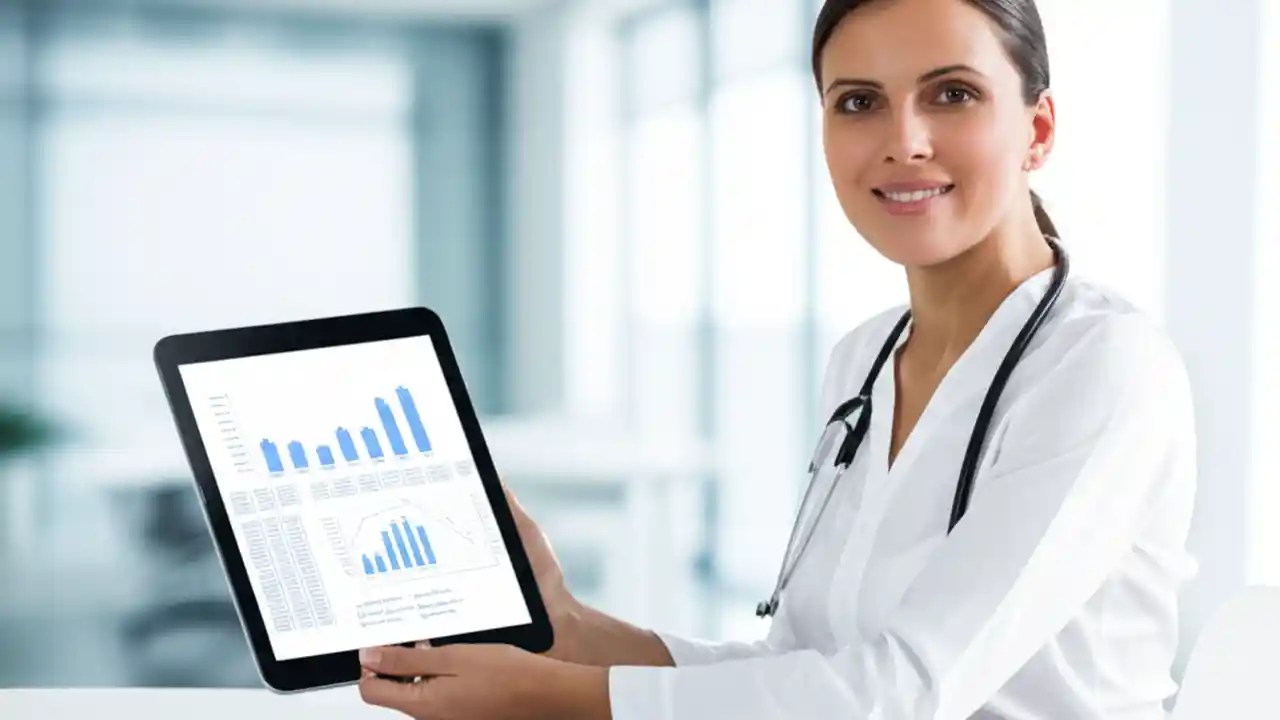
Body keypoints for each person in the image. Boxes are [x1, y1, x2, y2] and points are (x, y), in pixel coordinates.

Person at [355, 0, 1198, 717]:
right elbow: (801, 672)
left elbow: (900, 692)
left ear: (1038, 130)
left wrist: (563, 698)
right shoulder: (864, 360)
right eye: (859, 102)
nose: (904, 140)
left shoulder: (1101, 366)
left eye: (952, 94)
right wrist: (571, 630)